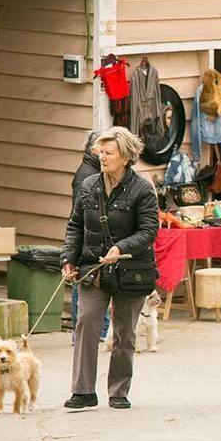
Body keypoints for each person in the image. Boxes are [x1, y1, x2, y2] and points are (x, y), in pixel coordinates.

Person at [61, 127, 159, 410]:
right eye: (100, 152)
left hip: (131, 271)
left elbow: (149, 230)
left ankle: (118, 391)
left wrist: (121, 248)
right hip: (94, 269)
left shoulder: (142, 189)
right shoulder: (89, 185)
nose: (102, 157)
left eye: (109, 153)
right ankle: (83, 391)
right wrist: (68, 260)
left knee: (124, 333)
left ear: (126, 156)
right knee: (86, 323)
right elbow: (75, 227)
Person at [69, 130, 110, 344]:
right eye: (102, 149)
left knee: (93, 280)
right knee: (85, 281)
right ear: (93, 149)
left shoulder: (97, 170)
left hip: (94, 236)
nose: (105, 155)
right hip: (87, 236)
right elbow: (81, 212)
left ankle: (100, 329)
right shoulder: (87, 174)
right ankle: (84, 331)